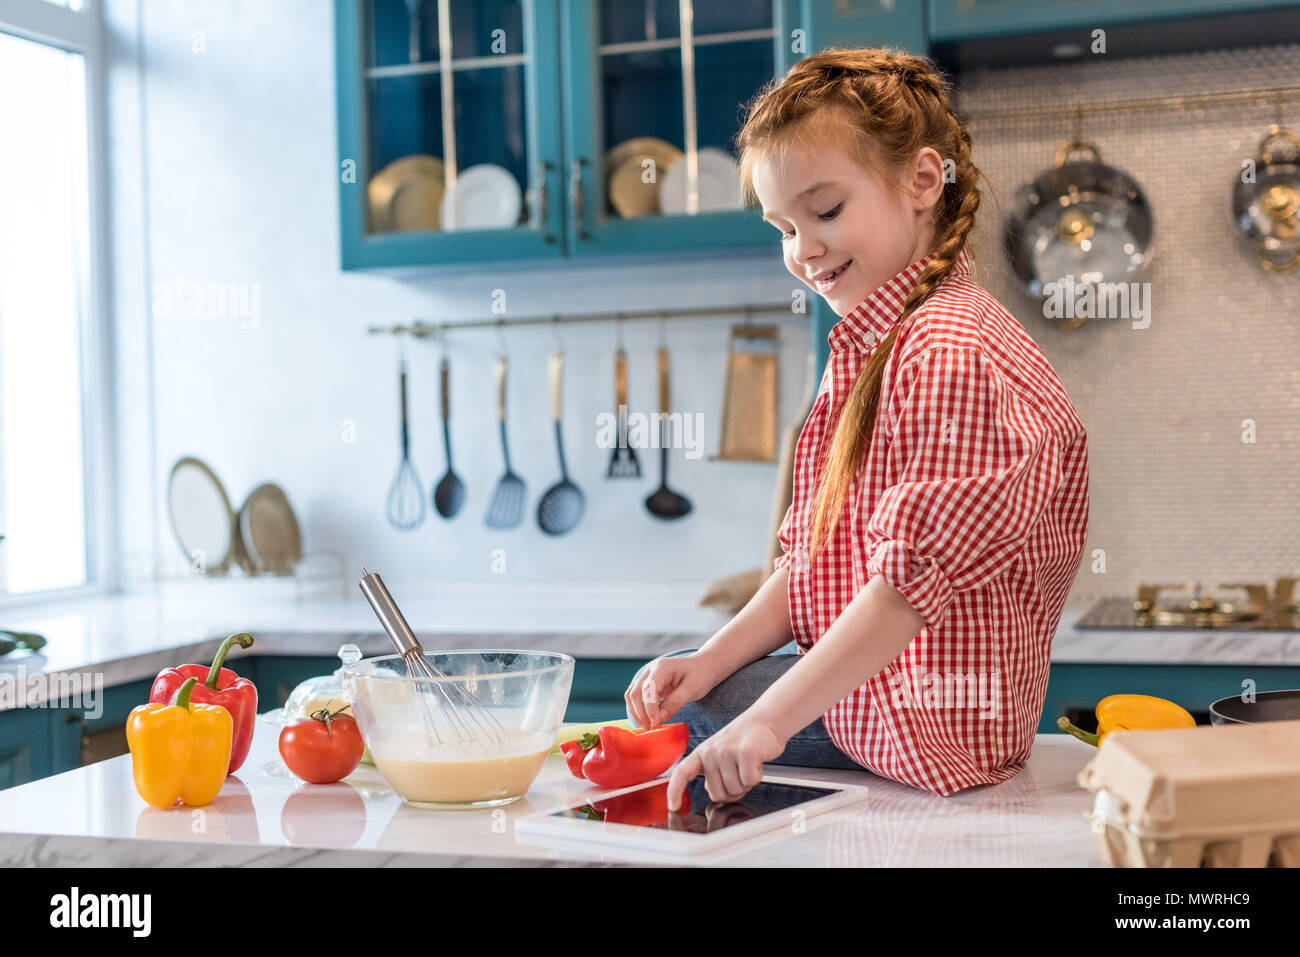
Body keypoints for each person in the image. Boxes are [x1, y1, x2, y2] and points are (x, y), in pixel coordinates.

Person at [624, 47, 1091, 811]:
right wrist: (710, 659)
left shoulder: (952, 351)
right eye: (782, 227)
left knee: (697, 718)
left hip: (932, 722)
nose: (803, 251)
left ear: (922, 181)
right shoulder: (883, 341)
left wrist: (766, 723)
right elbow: (808, 562)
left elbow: (905, 591)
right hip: (887, 701)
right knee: (689, 684)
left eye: (826, 211)